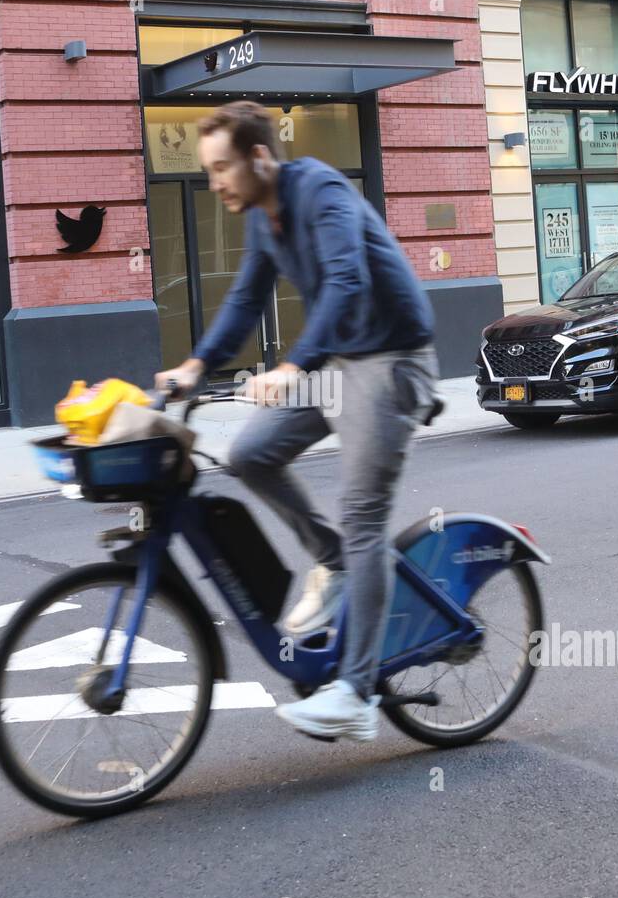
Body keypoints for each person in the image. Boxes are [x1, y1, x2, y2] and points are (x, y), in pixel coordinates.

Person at [154, 101, 440, 742]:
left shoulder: (321, 192)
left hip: (391, 360)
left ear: (260, 157)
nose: (216, 182)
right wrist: (196, 366)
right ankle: (334, 563)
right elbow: (246, 298)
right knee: (249, 455)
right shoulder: (263, 220)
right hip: (339, 357)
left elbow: (346, 280)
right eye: (209, 171)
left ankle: (357, 694)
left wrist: (293, 366)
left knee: (363, 515)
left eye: (223, 167)